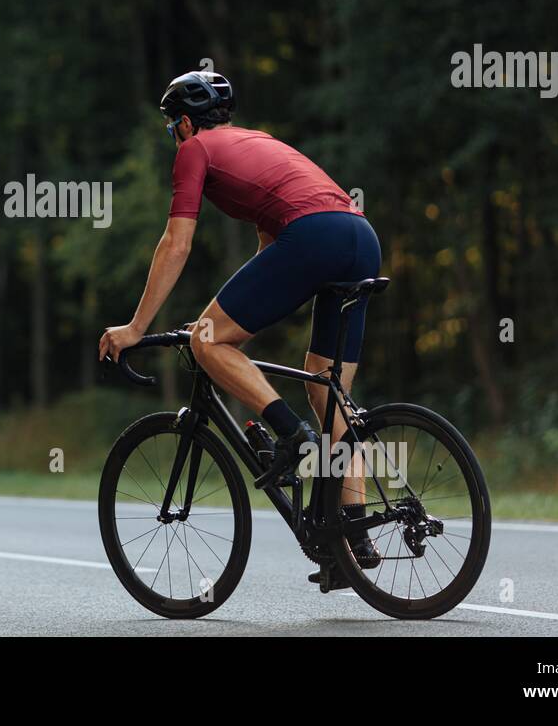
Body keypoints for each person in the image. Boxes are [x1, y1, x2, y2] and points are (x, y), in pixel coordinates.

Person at [97, 69, 381, 567]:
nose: (173, 137)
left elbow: (176, 242)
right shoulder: (259, 142)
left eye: (171, 127)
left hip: (316, 237)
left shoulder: (195, 150)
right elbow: (269, 250)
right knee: (327, 391)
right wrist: (217, 320)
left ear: (185, 123)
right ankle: (352, 536)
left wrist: (138, 327)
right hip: (360, 238)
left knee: (210, 343)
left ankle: (292, 437)